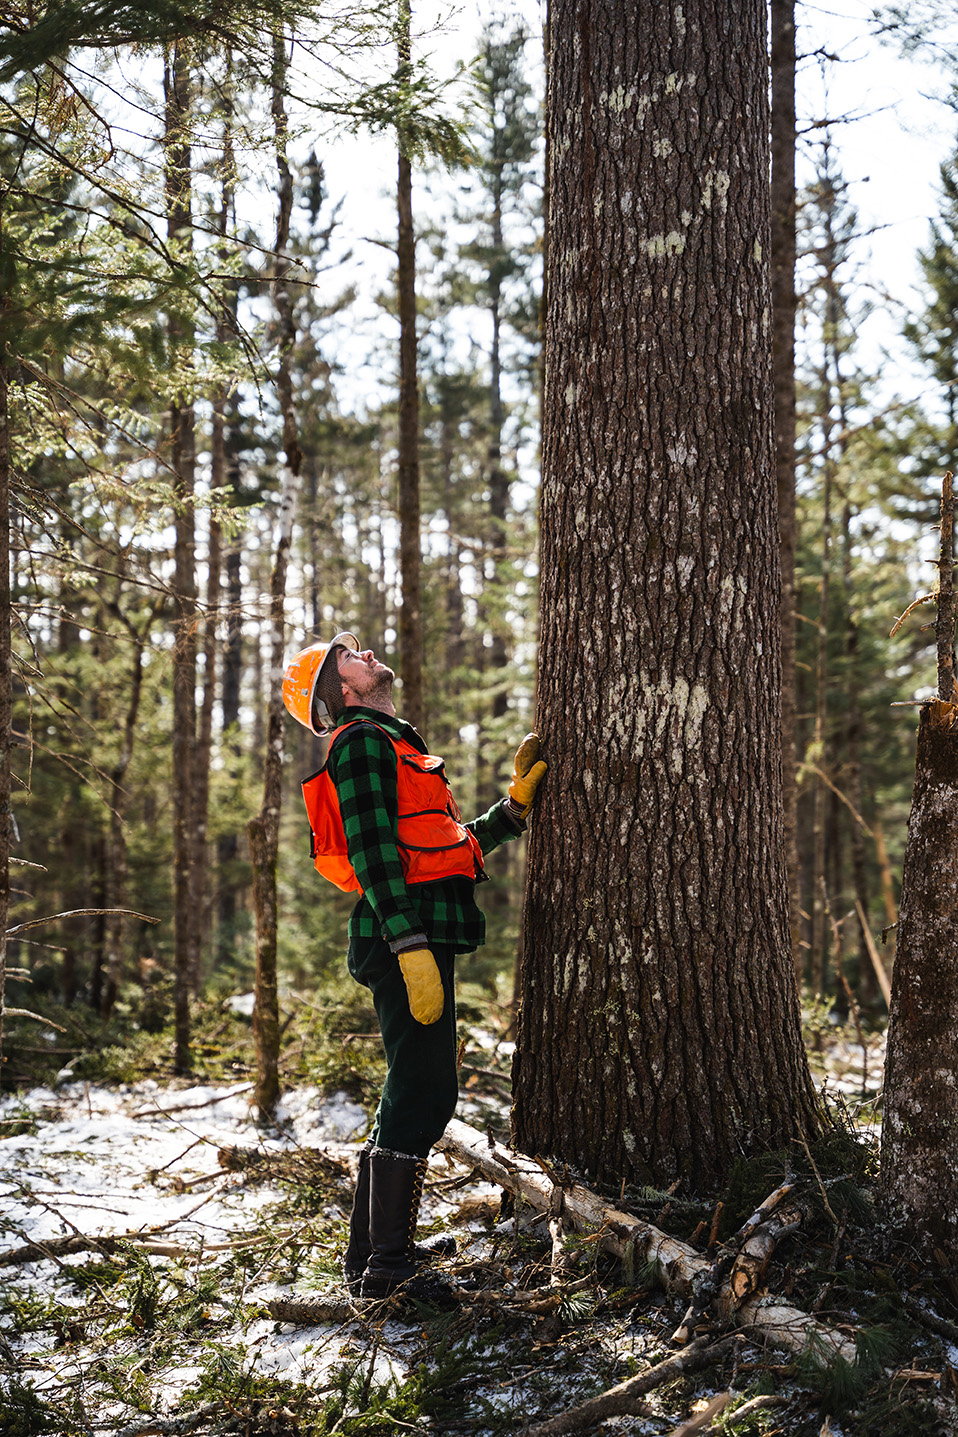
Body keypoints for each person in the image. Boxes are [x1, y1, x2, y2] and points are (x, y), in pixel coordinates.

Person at [282, 632, 547, 1303]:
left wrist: (512, 810)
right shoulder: (361, 742)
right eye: (350, 657)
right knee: (427, 1090)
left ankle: (370, 1254)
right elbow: (371, 851)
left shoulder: (392, 744)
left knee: (411, 1084)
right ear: (341, 690)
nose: (366, 654)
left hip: (416, 934)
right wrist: (407, 942)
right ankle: (389, 1267)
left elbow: (443, 848)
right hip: (404, 938)